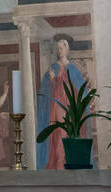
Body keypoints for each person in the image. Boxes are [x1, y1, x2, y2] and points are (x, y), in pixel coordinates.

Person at [36, 37, 88, 170]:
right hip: (57, 105)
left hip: (70, 107)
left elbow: (80, 88)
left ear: (66, 49)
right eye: (57, 48)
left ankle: (69, 161)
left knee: (69, 132)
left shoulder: (73, 68)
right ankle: (59, 164)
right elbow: (46, 88)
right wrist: (52, 80)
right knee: (58, 132)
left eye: (61, 48)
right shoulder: (53, 67)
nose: (59, 51)